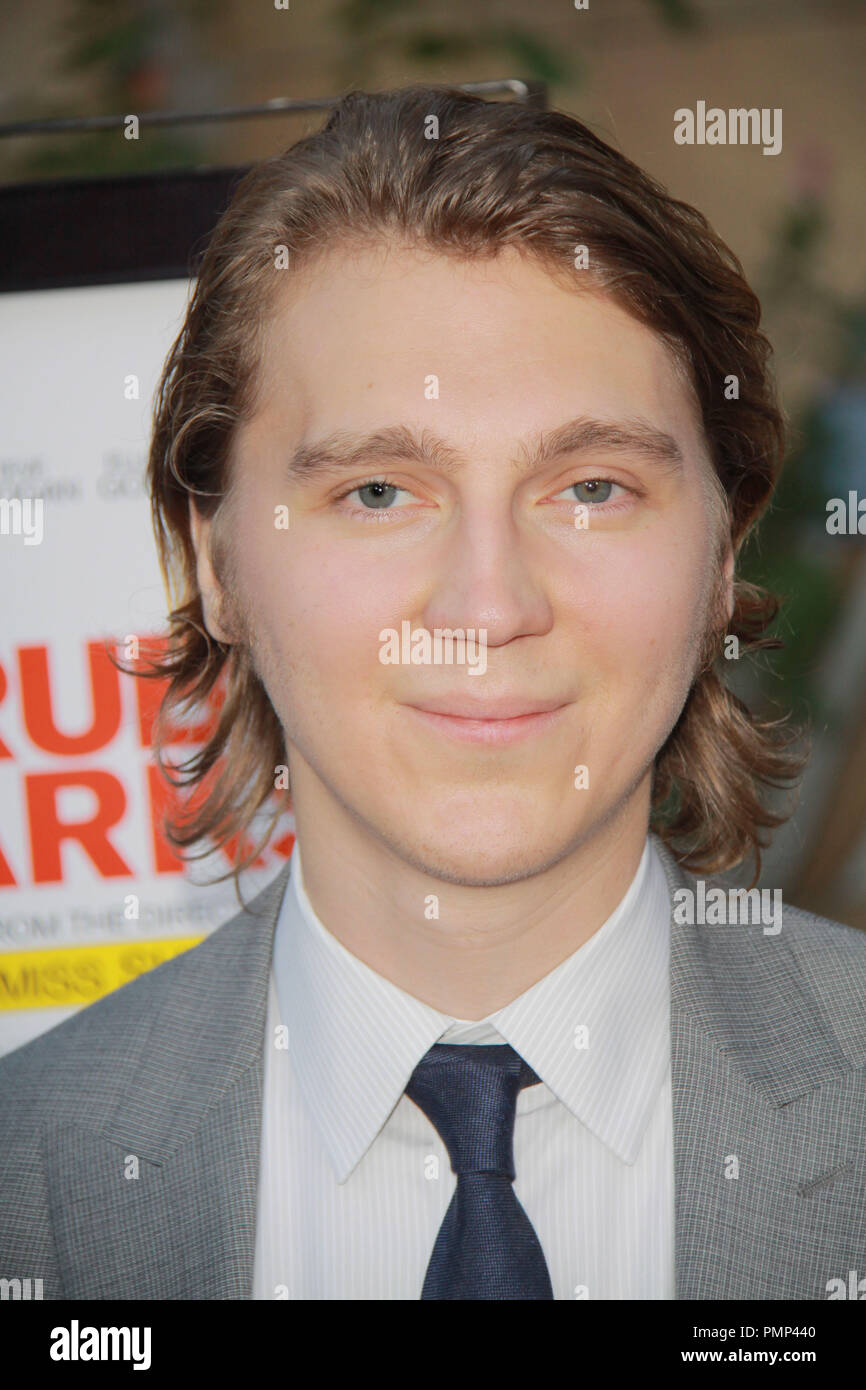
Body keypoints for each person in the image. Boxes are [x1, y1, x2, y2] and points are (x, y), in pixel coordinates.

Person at [1, 83, 864, 1302]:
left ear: (722, 555)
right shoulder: (23, 1181)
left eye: (591, 487)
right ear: (218, 564)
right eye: (377, 493)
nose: (486, 604)